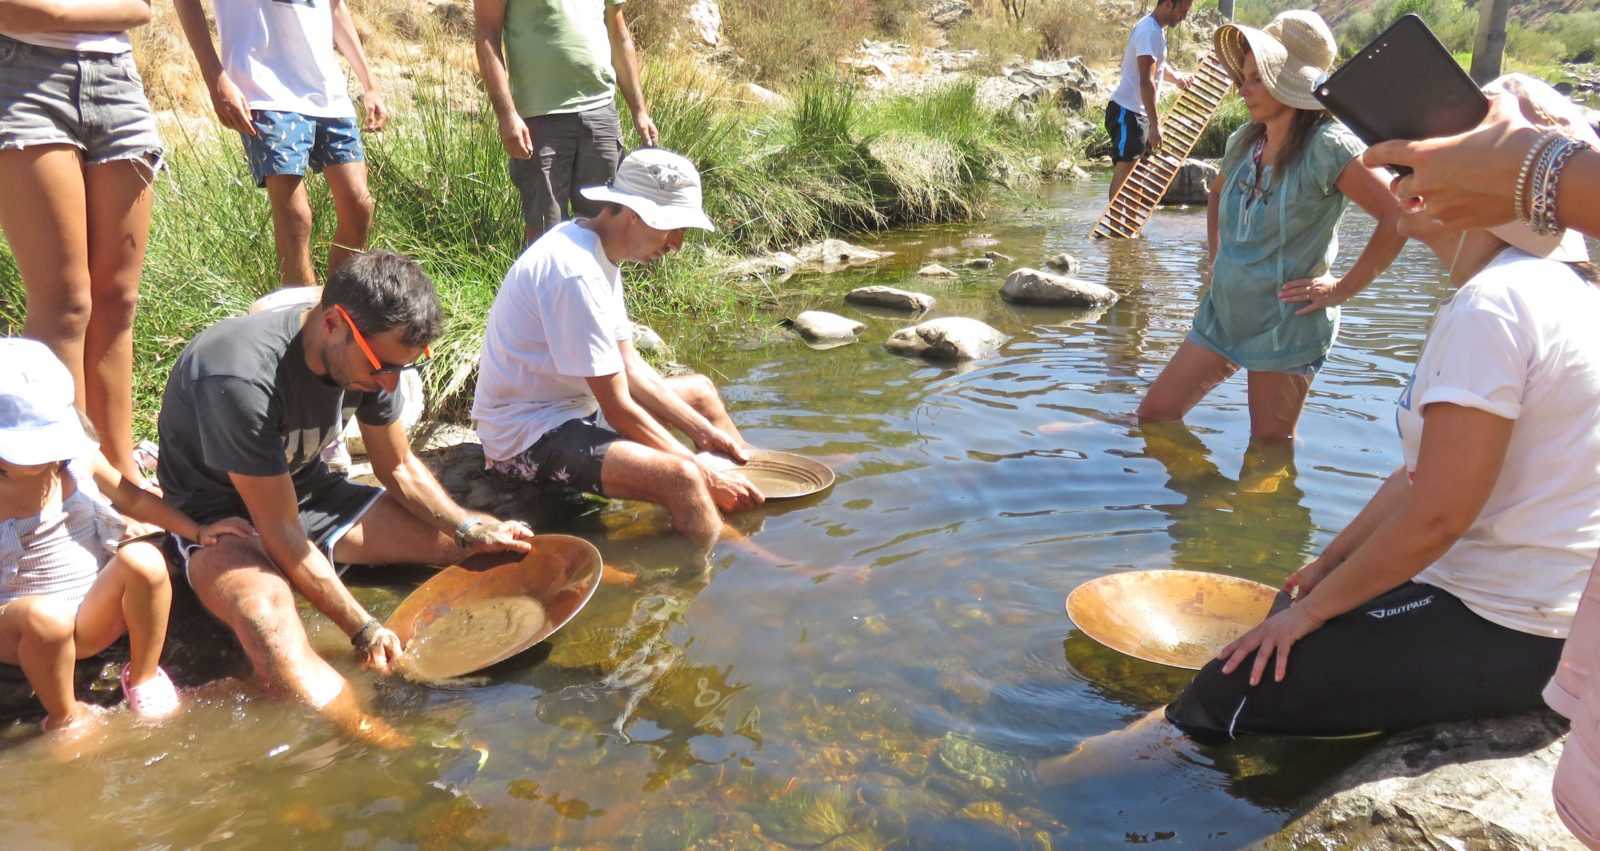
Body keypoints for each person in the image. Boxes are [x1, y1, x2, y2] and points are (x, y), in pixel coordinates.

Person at [155, 251, 537, 743]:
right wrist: (364, 628)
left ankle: (585, 575)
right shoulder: (240, 376)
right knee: (266, 619)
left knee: (485, 550)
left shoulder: (373, 357)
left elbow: (397, 466)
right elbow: (283, 536)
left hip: (308, 493)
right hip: (217, 521)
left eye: (404, 368)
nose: (390, 383)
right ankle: (370, 735)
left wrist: (467, 527)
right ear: (333, 323)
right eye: (382, 368)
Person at [1369, 81, 1600, 851]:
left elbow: (1436, 514)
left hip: (1498, 622)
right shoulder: (1556, 288)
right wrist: (1321, 570)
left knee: (1227, 690)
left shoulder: (1492, 305)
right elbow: (1414, 480)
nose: (1412, 177)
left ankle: (1056, 795)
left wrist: (1305, 612)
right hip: (1546, 617)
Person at [472, 148, 762, 550]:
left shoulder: (599, 250)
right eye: (671, 228)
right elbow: (619, 408)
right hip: (525, 435)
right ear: (634, 213)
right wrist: (697, 467)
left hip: (574, 408)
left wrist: (706, 434)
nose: (677, 244)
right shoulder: (575, 273)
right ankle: (747, 554)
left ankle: (757, 485)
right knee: (683, 479)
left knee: (700, 393)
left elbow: (628, 362)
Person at [1136, 11, 1405, 440]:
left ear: (1292, 84)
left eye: (1257, 79)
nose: (1243, 89)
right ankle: (1204, 502)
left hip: (1283, 325)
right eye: (1243, 77)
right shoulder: (1245, 138)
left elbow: (1399, 212)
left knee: (1267, 452)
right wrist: (1215, 261)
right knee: (1155, 415)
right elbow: (1217, 193)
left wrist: (1343, 288)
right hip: (1223, 313)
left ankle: (1250, 509)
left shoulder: (1328, 147)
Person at [1, 338, 252, 737]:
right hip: (19, 632)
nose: (40, 457)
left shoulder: (75, 457)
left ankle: (144, 676)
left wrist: (196, 530)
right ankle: (64, 714)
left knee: (146, 561)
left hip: (90, 615)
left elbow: (130, 496)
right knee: (44, 620)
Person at [0, 0, 163, 485]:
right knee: (66, 304)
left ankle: (122, 476)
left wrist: (61, 13)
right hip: (22, 76)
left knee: (117, 300)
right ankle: (68, 484)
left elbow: (142, 9)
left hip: (116, 77)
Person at [173, 0, 386, 291]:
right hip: (262, 88)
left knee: (358, 205)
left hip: (327, 91)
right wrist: (215, 78)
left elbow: (334, 8)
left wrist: (370, 84)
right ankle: (301, 322)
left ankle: (335, 312)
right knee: (296, 217)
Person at [472, 0, 659, 244]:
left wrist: (640, 111)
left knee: (605, 233)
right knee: (545, 236)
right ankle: (544, 284)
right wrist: (507, 116)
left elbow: (619, 35)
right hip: (539, 119)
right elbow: (487, 34)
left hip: (600, 112)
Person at [1106, 0, 1194, 201]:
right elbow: (1147, 81)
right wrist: (1155, 126)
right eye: (1183, 10)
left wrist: (1177, 79)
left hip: (1138, 113)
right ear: (1168, 4)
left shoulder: (1157, 30)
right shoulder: (1149, 31)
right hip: (1128, 112)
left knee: (1137, 174)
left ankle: (1131, 229)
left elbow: (1158, 66)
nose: (1185, 16)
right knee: (1126, 171)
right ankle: (1113, 230)